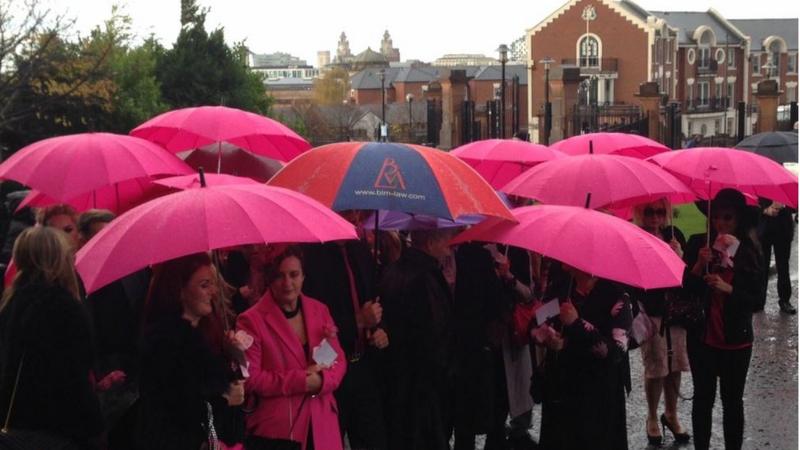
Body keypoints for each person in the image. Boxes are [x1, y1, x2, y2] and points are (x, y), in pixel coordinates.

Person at [0, 226, 104, 448]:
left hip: (18, 422)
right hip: (60, 426)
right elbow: (74, 374)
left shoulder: (13, 303)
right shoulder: (63, 306)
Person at [237, 245, 347, 450]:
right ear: (269, 279)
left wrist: (322, 381)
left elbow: (337, 360)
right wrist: (302, 381)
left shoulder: (319, 310)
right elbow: (251, 380)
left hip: (323, 423)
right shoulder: (250, 320)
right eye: (280, 276)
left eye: (294, 275)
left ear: (304, 276)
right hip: (280, 431)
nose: (288, 283)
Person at [133, 252, 245, 450]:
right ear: (180, 290)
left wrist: (232, 356)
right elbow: (173, 409)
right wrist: (224, 399)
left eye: (212, 283)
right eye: (204, 285)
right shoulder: (165, 344)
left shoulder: (205, 333)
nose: (213, 291)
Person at [684, 189, 763, 450]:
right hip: (702, 337)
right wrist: (697, 266)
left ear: (738, 219)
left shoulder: (749, 250)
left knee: (732, 401)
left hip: (736, 341)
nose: (721, 223)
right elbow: (684, 290)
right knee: (702, 399)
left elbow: (757, 299)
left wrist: (728, 288)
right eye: (716, 217)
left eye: (727, 218)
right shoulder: (698, 243)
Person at [302, 223, 390, 449]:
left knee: (373, 438)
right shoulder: (312, 257)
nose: (354, 218)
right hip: (329, 363)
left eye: (357, 213)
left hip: (364, 363)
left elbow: (374, 302)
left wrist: (380, 329)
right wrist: (357, 321)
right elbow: (314, 321)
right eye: (347, 212)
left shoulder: (359, 251)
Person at [534, 266, 632, 450]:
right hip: (561, 388)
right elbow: (538, 321)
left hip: (599, 395)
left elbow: (615, 350)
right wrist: (548, 336)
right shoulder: (562, 288)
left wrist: (576, 323)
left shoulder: (616, 296)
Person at [380, 229, 456, 450]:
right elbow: (436, 332)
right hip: (423, 385)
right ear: (431, 243)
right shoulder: (427, 277)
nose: (448, 249)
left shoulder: (393, 270)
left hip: (396, 377)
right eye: (446, 242)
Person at [630, 199, 690, 446]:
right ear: (640, 213)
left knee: (675, 365)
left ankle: (671, 413)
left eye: (659, 211)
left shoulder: (674, 235)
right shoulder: (636, 237)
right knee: (655, 368)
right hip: (651, 311)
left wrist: (679, 256)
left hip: (676, 312)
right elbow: (632, 275)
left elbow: (686, 277)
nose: (655, 216)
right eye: (649, 211)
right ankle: (653, 416)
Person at [756, 199, 796, 314]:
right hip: (764, 228)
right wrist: (764, 209)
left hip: (783, 228)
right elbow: (751, 200)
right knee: (762, 265)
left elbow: (795, 202)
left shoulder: (789, 182)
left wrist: (783, 205)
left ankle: (784, 300)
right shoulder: (761, 182)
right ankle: (759, 300)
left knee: (783, 266)